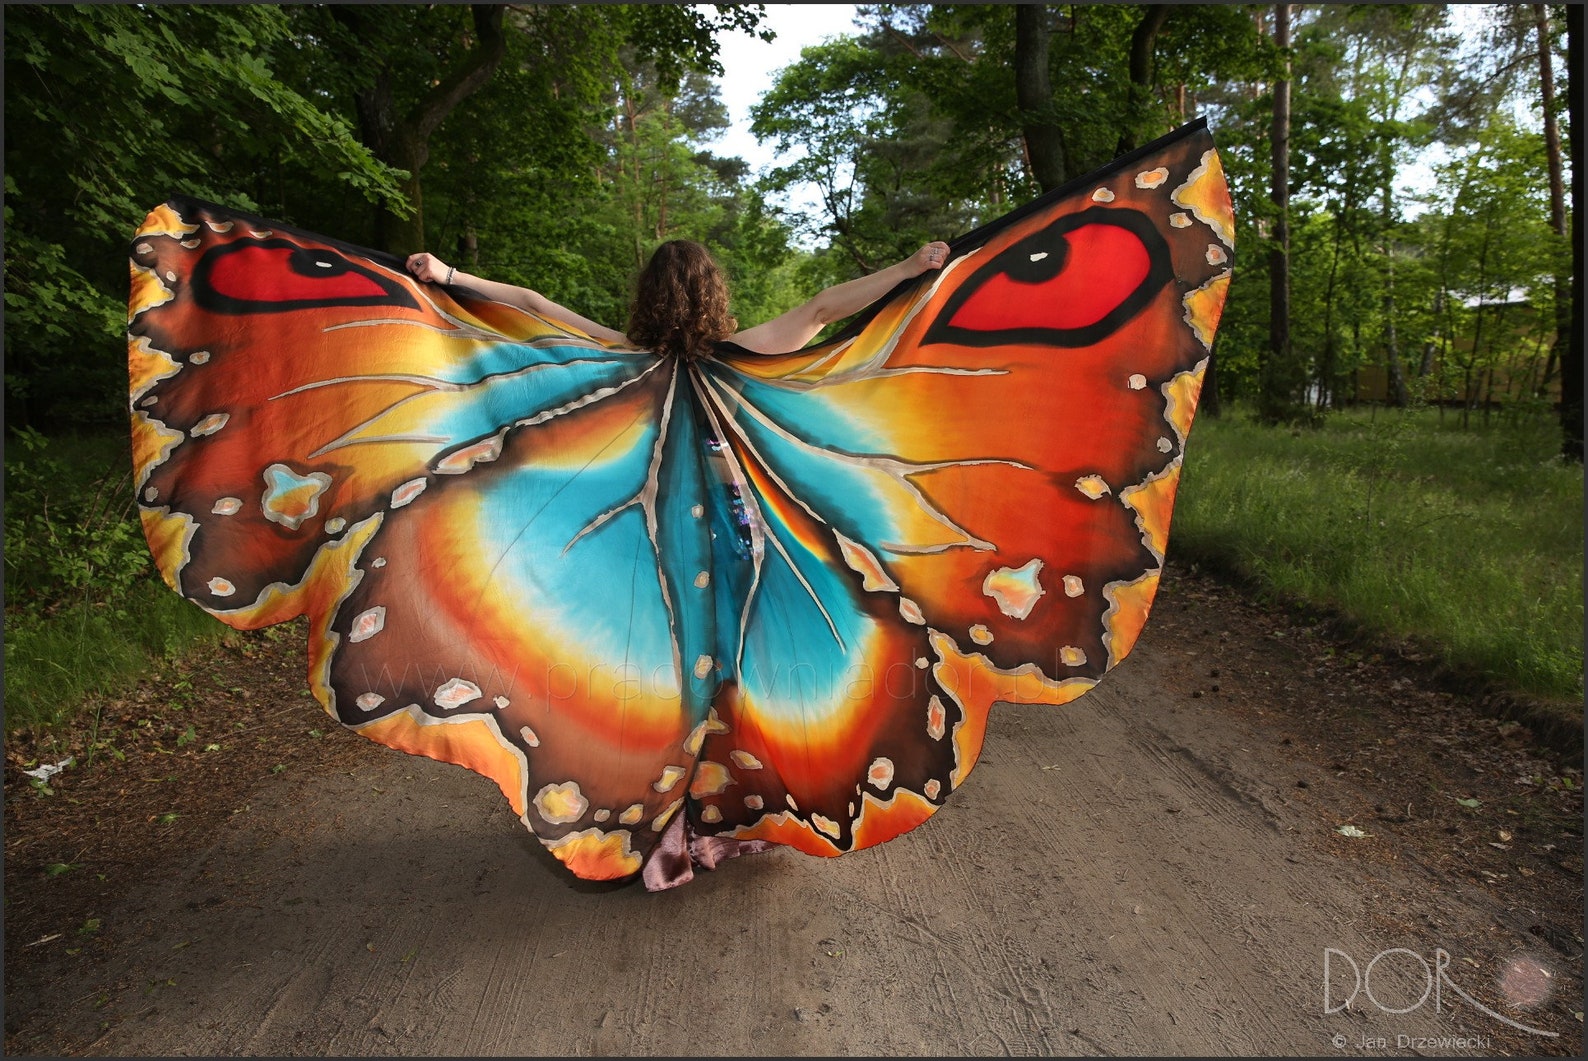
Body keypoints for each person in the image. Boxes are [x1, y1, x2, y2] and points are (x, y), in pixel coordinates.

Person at [404, 238, 952, 357]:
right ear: (713, 292)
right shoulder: (741, 352)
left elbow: (533, 303)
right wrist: (907, 267)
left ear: (648, 294)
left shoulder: (626, 350)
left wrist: (449, 274)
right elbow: (823, 308)